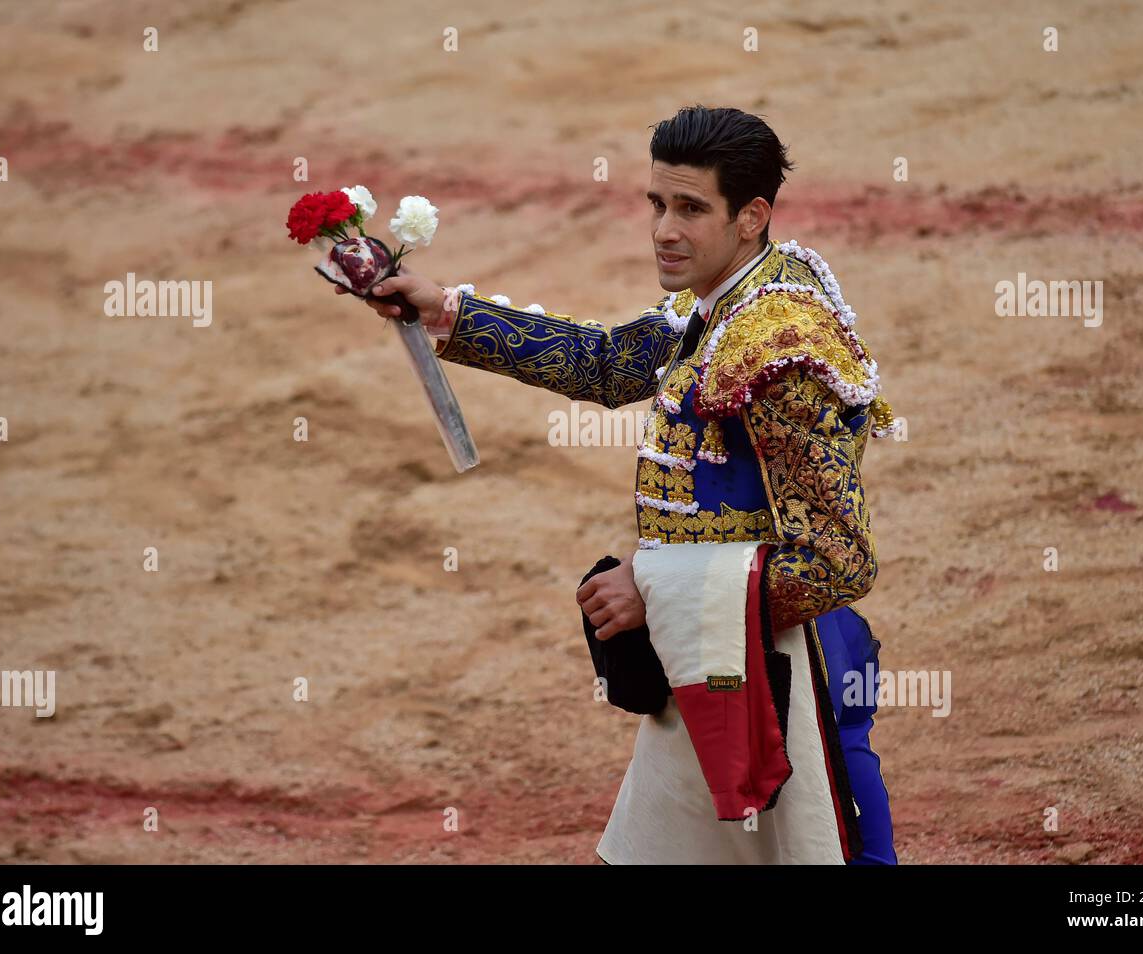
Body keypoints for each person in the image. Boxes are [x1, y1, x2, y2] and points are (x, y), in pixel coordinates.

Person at [340, 105, 899, 864]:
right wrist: (448, 311)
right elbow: (606, 363)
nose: (664, 229)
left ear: (751, 216)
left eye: (691, 208)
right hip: (715, 654)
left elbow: (841, 561)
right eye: (657, 204)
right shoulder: (726, 294)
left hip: (788, 676)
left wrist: (655, 586)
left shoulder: (781, 347)